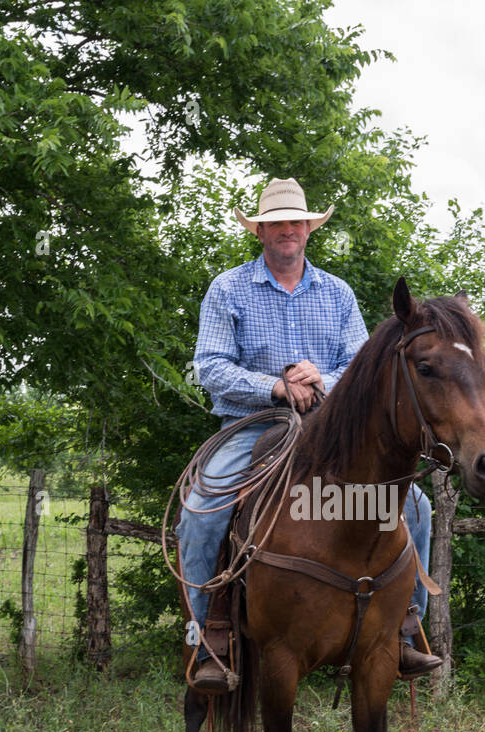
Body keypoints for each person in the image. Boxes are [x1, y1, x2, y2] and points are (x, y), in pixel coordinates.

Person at [177, 177, 442, 693]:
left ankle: (406, 626)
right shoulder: (228, 288)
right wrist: (275, 387)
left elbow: (364, 368)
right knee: (201, 509)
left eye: (295, 222)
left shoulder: (337, 292)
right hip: (250, 424)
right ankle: (208, 636)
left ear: (308, 229)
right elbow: (209, 367)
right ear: (260, 232)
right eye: (276, 223)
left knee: (416, 508)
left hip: (328, 428)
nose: (287, 231)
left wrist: (320, 378)